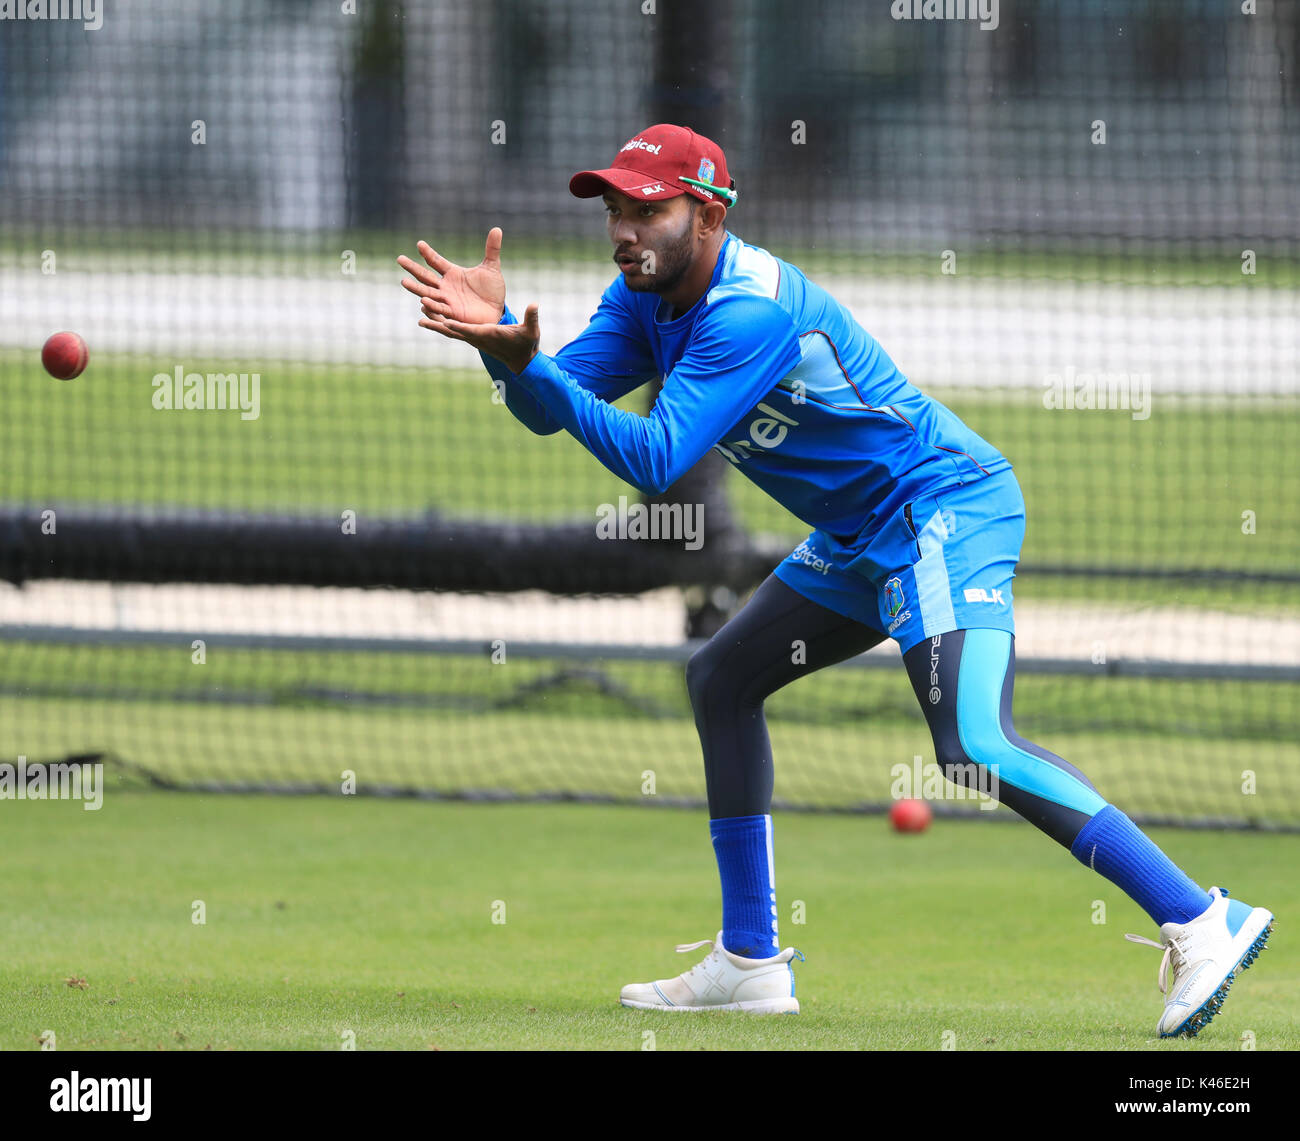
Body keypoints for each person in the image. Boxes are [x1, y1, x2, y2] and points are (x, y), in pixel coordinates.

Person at [397, 123, 1272, 1037]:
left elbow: (657, 457)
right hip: (860, 533)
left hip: (944, 509)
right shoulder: (638, 299)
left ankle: (1201, 918)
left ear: (708, 211)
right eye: (616, 208)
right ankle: (751, 960)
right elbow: (552, 411)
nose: (625, 228)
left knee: (973, 743)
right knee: (721, 680)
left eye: (648, 209)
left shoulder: (749, 311)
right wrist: (504, 353)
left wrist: (526, 364)